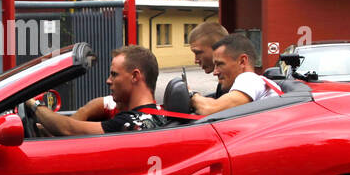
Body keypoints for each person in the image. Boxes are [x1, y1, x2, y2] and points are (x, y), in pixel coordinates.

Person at [31, 45, 167, 135]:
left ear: (135, 76)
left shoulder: (130, 122)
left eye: (114, 74)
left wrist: (34, 104)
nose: (108, 81)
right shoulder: (160, 115)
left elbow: (68, 129)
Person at [190, 34, 283, 114]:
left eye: (220, 64)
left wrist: (191, 94)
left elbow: (210, 109)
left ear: (242, 61)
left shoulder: (249, 79)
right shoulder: (257, 83)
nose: (215, 72)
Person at [186, 21, 229, 99]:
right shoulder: (222, 84)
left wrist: (191, 95)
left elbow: (212, 108)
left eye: (198, 52)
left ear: (218, 48)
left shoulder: (242, 84)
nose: (196, 60)